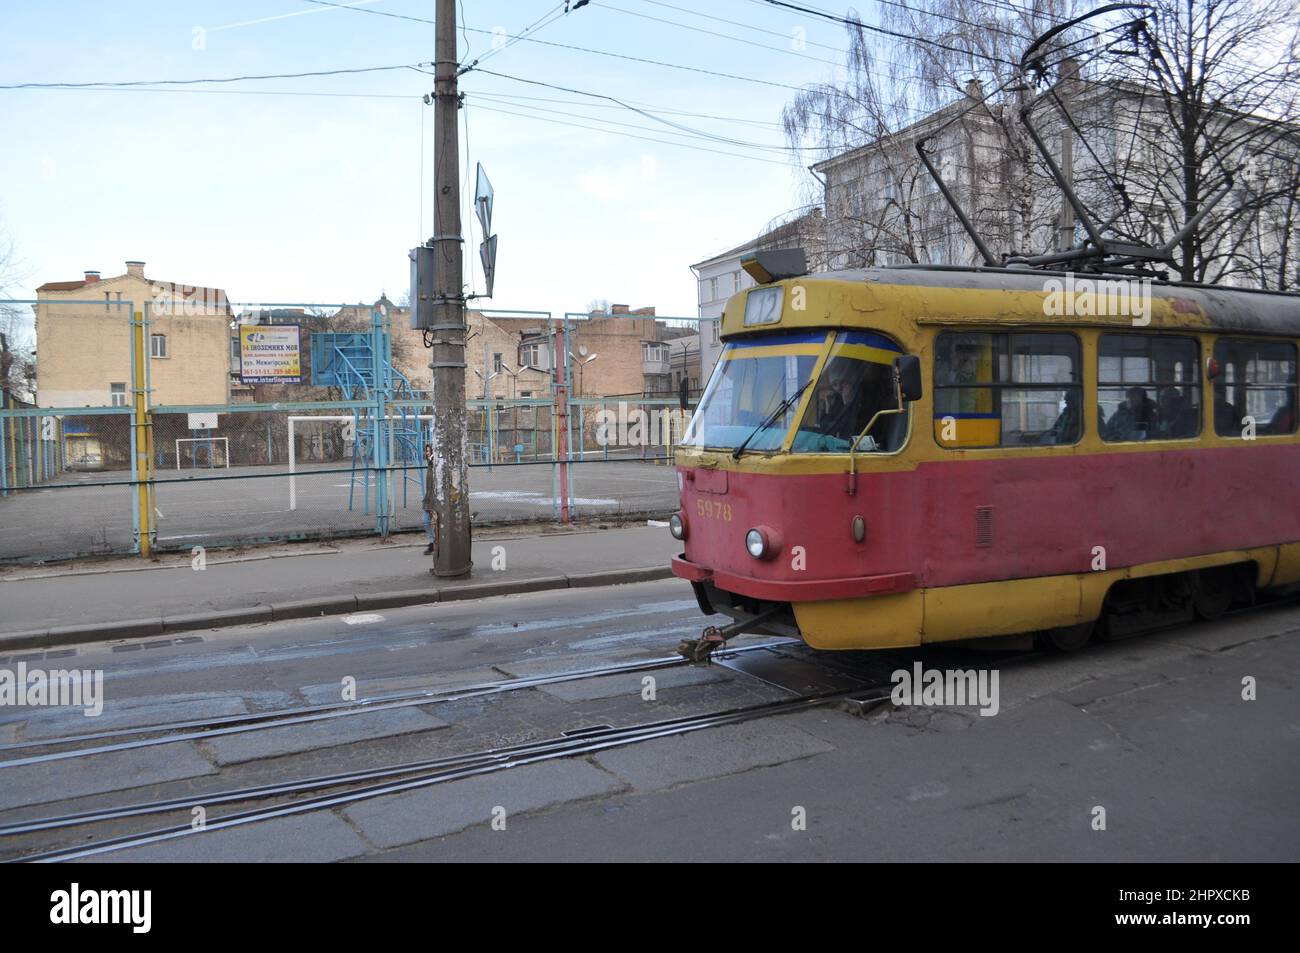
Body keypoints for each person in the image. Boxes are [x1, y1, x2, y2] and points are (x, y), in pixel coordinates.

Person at [421, 443, 438, 557]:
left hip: (436, 499)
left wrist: (433, 462)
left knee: (437, 522)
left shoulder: (435, 465)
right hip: (429, 498)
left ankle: (435, 543)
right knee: (426, 521)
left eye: (429, 451)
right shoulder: (429, 465)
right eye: (426, 451)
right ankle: (433, 541)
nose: (427, 453)